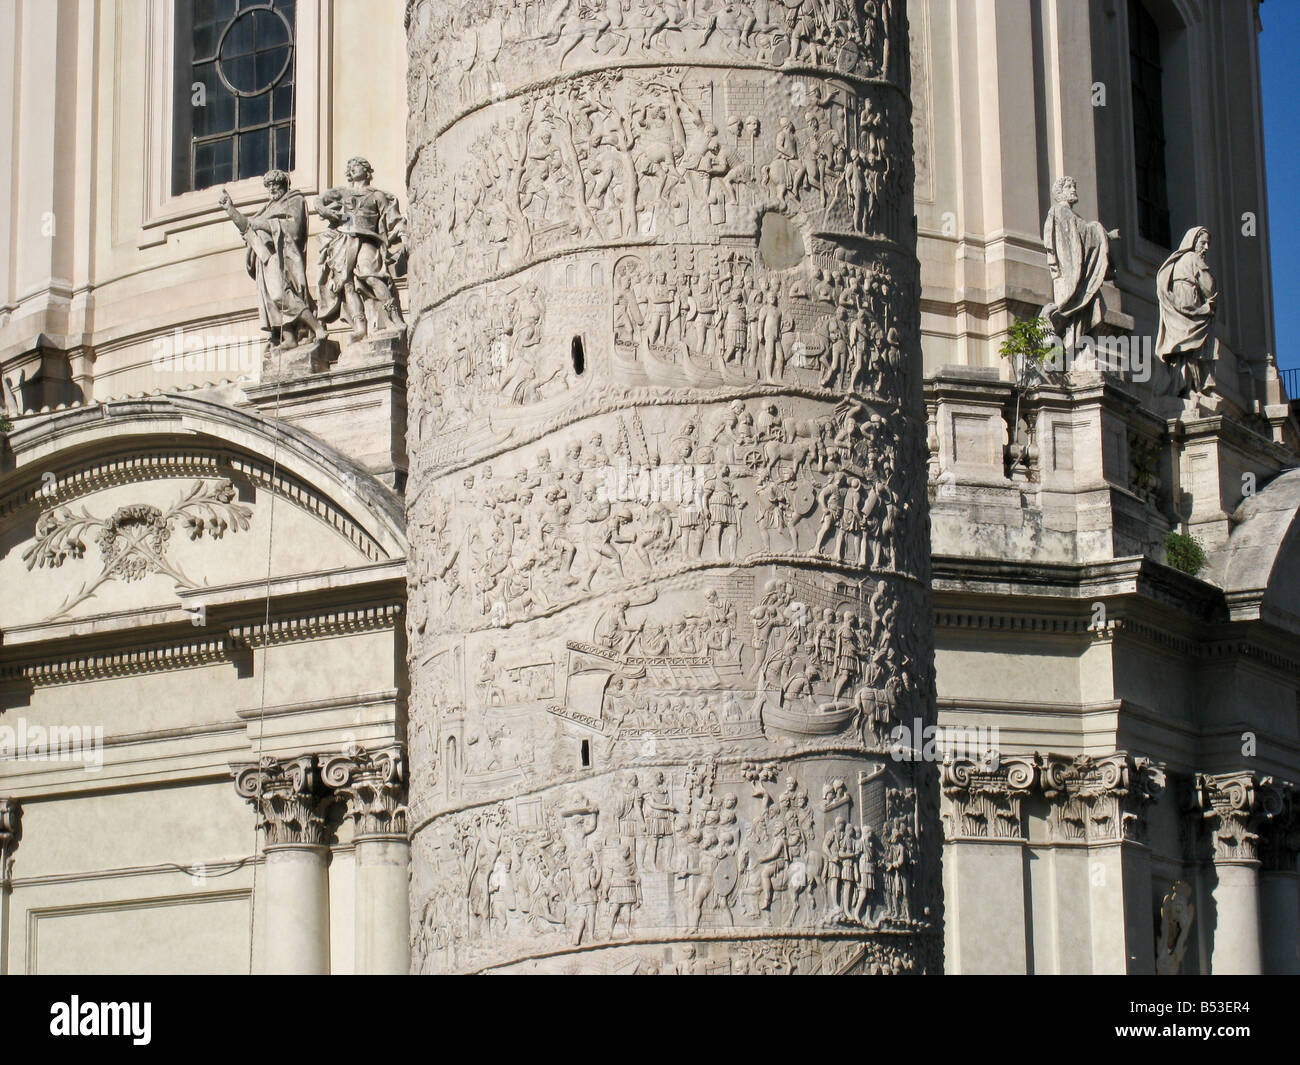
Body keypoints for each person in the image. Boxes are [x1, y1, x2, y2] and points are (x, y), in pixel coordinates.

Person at [219, 171, 326, 351]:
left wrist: (262, 224)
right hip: (264, 258)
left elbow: (294, 229)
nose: (271, 189)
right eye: (268, 186)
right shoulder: (266, 209)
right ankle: (289, 337)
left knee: (281, 295)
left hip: (282, 256)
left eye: (275, 185)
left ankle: (317, 328)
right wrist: (230, 209)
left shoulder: (294, 200)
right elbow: (247, 226)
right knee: (270, 301)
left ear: (283, 184)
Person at [314, 156, 407, 340]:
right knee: (348, 284)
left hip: (367, 239)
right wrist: (327, 212)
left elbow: (393, 219)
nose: (353, 168)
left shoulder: (377, 195)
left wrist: (403, 235)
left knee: (371, 276)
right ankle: (359, 327)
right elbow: (319, 201)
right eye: (351, 166)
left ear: (367, 170)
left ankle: (393, 316)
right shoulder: (343, 192)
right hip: (343, 240)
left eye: (358, 165)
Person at [1041, 175, 1118, 349]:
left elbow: (1083, 235)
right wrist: (1099, 230)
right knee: (1077, 307)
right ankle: (1073, 346)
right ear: (1060, 192)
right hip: (1071, 274)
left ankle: (1083, 348)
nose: (1073, 190)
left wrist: (1103, 235)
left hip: (1081, 275)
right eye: (1069, 187)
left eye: (1074, 186)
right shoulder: (1060, 211)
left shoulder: (1072, 215)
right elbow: (1076, 238)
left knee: (1096, 306)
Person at [1155, 227, 1217, 398]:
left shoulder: (1181, 260)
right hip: (1189, 299)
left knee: (1185, 346)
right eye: (1203, 243)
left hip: (1182, 299)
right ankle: (1191, 387)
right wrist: (1208, 305)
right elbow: (1208, 286)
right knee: (1192, 345)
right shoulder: (1193, 258)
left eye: (1208, 244)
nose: (1206, 248)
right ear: (1193, 241)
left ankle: (1184, 385)